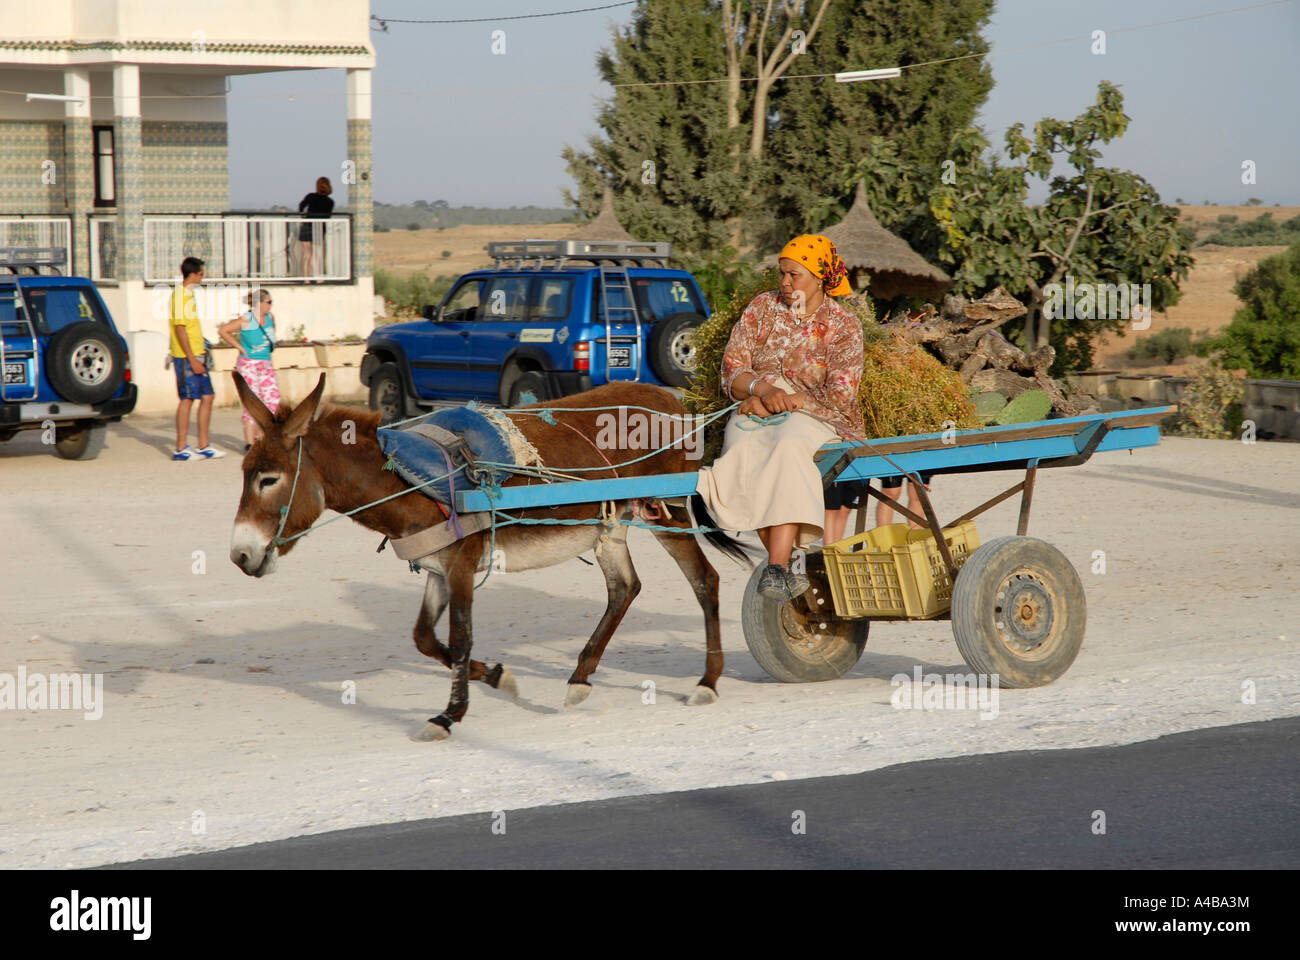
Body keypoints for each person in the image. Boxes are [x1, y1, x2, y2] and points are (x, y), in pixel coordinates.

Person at [695, 235, 863, 602]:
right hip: (756, 405)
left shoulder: (844, 325)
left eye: (794, 275)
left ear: (819, 278)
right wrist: (760, 391)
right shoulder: (761, 309)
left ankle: (775, 565)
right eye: (781, 274)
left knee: (787, 447)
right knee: (740, 447)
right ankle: (787, 565)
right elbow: (732, 369)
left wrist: (779, 402)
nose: (785, 283)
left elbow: (841, 392)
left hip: (818, 415)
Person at [169, 256, 224, 461]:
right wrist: (192, 359)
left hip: (198, 354)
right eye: (201, 273)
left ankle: (203, 445)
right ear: (192, 274)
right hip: (186, 356)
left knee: (208, 396)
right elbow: (180, 329)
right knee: (188, 398)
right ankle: (181, 447)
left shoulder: (189, 296)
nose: (203, 277)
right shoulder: (179, 297)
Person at [218, 287, 280, 452]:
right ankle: (250, 442)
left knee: (273, 400)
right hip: (248, 364)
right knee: (252, 402)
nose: (271, 305)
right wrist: (240, 347)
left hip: (266, 363)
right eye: (269, 302)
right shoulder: (246, 319)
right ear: (259, 303)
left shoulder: (270, 318)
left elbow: (272, 335)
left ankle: (262, 435)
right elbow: (223, 331)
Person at [298, 177, 334, 279]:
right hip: (319, 228)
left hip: (307, 226)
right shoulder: (330, 201)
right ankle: (318, 278)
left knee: (306, 255)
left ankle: (306, 279)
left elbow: (301, 206)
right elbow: (327, 216)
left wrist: (303, 217)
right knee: (317, 255)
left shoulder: (311, 196)